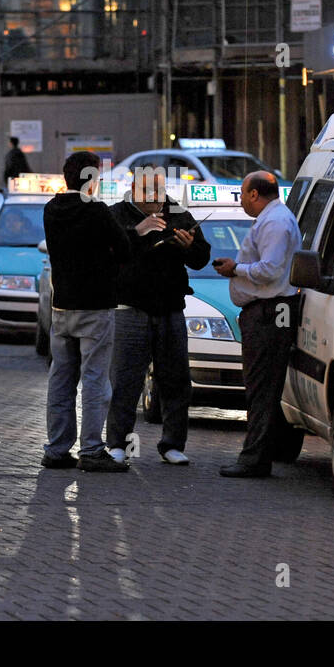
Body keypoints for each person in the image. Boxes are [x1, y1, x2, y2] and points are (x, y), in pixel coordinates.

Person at [105, 168, 210, 466]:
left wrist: (190, 247)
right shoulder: (117, 215)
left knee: (176, 379)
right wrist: (139, 232)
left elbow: (201, 257)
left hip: (170, 307)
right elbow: (108, 254)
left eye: (160, 192)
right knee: (125, 379)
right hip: (130, 308)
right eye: (149, 193)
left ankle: (173, 444)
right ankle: (117, 443)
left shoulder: (179, 214)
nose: (157, 200)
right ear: (134, 191)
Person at [42, 150, 131, 472]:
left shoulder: (51, 209)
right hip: (95, 305)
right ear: (92, 180)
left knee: (61, 379)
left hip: (62, 304)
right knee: (94, 380)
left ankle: (56, 448)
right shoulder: (97, 212)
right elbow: (124, 249)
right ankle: (92, 450)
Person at [214, 171, 301, 478]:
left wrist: (236, 269)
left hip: (269, 312)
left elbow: (270, 270)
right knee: (263, 384)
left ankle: (255, 458)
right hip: (266, 310)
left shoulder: (275, 221)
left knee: (261, 385)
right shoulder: (272, 218)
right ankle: (265, 450)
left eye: (242, 194)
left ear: (254, 194)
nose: (241, 201)